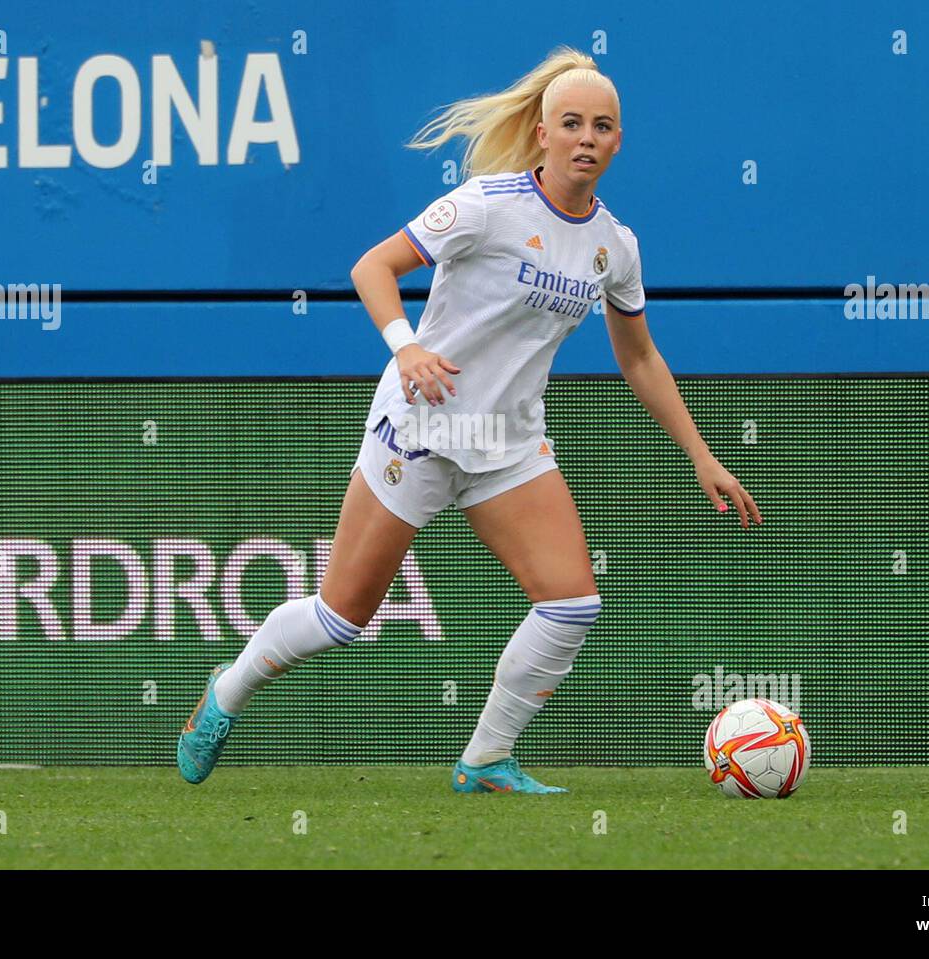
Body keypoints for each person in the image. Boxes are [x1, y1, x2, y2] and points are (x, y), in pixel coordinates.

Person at [178, 46, 762, 794]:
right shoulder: (486, 204)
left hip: (505, 443)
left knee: (572, 601)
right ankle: (224, 694)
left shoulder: (616, 248)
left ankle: (485, 758)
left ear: (619, 142)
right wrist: (407, 346)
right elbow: (372, 268)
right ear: (544, 131)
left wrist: (702, 456)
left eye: (603, 126)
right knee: (340, 617)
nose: (587, 137)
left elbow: (640, 358)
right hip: (420, 430)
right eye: (572, 122)